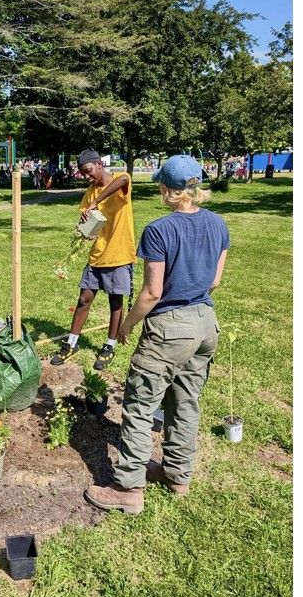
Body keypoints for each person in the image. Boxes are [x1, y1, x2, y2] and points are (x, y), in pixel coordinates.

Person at [84, 154, 229, 515]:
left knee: (139, 404)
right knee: (185, 401)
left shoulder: (160, 230)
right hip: (205, 324)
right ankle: (178, 475)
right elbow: (214, 280)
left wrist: (127, 325)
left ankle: (128, 488)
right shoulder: (219, 224)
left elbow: (151, 293)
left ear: (166, 189)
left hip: (169, 330)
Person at [51, 148, 136, 370]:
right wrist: (83, 229)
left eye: (88, 171)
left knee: (115, 302)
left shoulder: (120, 180)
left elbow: (124, 180)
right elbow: (89, 228)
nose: (87, 176)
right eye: (83, 173)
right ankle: (71, 343)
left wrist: (95, 201)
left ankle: (109, 347)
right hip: (97, 255)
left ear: (99, 164)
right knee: (84, 300)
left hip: (118, 254)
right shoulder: (89, 192)